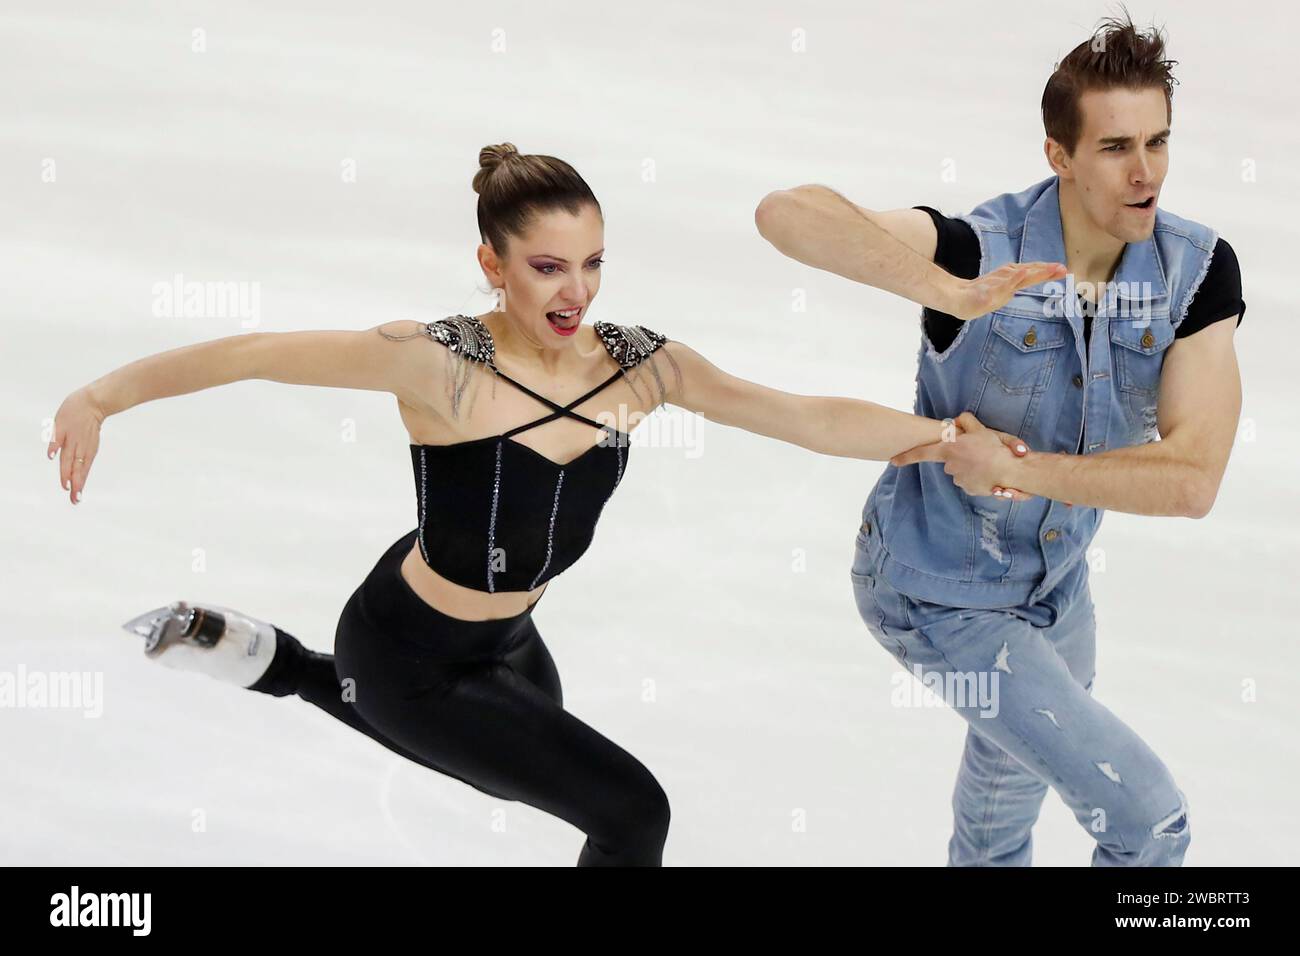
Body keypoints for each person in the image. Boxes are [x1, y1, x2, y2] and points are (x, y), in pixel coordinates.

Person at [50, 143, 1055, 867]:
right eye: (545, 267)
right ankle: (306, 669)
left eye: (591, 262)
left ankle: (280, 662)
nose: (574, 289)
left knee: (515, 777)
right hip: (406, 648)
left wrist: (935, 439)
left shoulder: (637, 365)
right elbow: (251, 353)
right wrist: (98, 396)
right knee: (631, 813)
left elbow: (794, 413)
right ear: (491, 264)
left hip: (508, 638)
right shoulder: (437, 362)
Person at [754, 13, 1244, 866]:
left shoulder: (1195, 270)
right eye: (1116, 147)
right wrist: (951, 288)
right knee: (1148, 821)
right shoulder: (981, 249)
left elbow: (1192, 479)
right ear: (1058, 154)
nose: (1145, 174)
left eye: (1159, 142)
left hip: (1058, 592)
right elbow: (785, 216)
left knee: (999, 816)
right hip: (937, 588)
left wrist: (1017, 467)